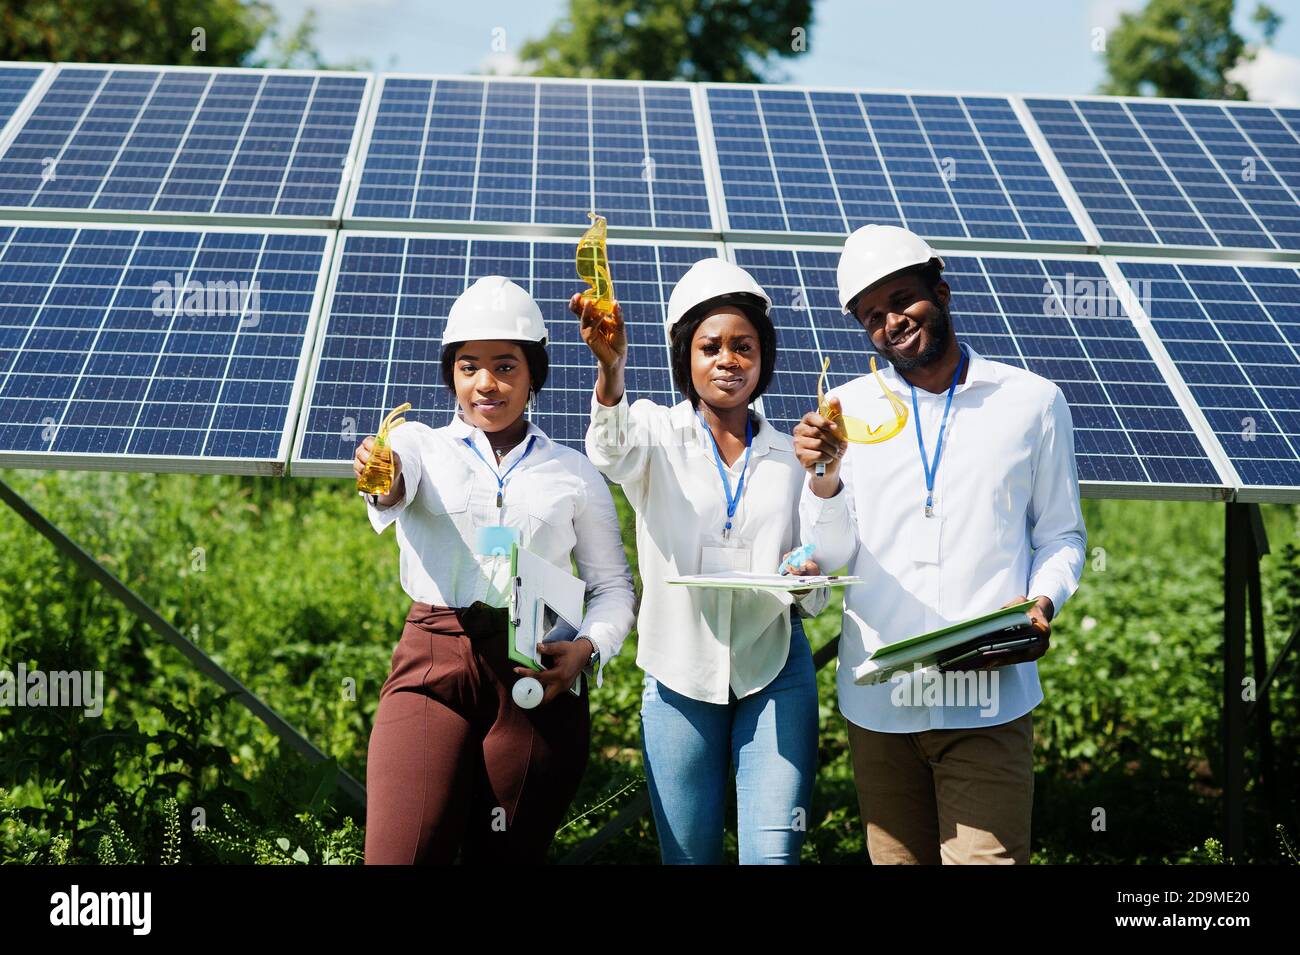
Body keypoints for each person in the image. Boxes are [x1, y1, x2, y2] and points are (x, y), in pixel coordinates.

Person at [794, 224, 1087, 865]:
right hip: (881, 701)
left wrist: (1042, 602)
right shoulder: (842, 412)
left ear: (943, 291)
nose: (891, 322)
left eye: (902, 299)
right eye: (872, 315)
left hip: (988, 696)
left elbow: (1062, 533)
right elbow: (830, 554)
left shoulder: (1031, 402)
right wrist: (822, 480)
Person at [357, 275, 635, 865]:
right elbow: (392, 482)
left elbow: (612, 588)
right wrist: (380, 476)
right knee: (399, 853)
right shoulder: (419, 444)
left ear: (534, 373)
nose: (486, 383)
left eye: (506, 366)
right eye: (469, 366)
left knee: (504, 857)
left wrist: (590, 647)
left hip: (537, 669)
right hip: (435, 656)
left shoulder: (575, 471)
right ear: (451, 374)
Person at [576, 258, 826, 865]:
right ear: (686, 358)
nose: (728, 360)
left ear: (762, 357)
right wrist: (611, 367)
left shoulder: (792, 451)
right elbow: (607, 449)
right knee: (688, 858)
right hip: (678, 672)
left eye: (743, 346)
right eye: (709, 346)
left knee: (773, 858)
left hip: (775, 668)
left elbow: (816, 561)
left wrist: (808, 574)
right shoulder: (654, 433)